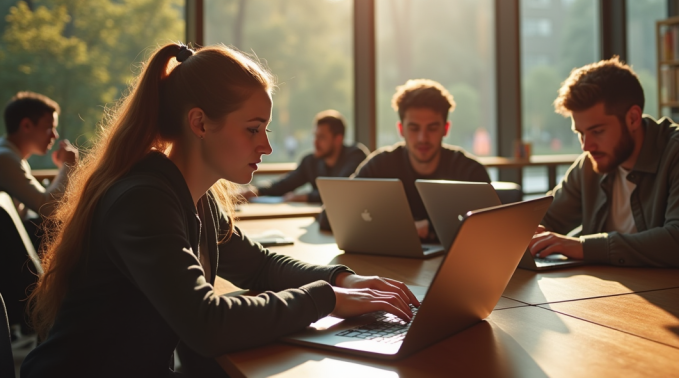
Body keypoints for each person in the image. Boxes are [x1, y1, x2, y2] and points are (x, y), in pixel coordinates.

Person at [22, 44, 418, 378]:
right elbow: (207, 323)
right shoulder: (143, 200)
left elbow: (258, 266)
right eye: (252, 129)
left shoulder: (196, 196)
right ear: (199, 123)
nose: (266, 146)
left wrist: (344, 280)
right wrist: (326, 298)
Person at [528, 57, 679, 272]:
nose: (586, 146)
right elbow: (544, 220)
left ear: (633, 118)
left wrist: (583, 247)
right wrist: (524, 235)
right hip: (612, 289)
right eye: (580, 133)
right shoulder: (590, 164)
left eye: (597, 131)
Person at [354, 79, 490, 239]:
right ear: (401, 129)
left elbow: (490, 228)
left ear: (446, 129)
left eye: (432, 128)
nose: (422, 138)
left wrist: (428, 227)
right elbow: (340, 214)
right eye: (414, 128)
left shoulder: (470, 172)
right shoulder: (379, 166)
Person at [0, 92, 78, 247]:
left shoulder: (13, 157)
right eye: (49, 128)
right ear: (26, 125)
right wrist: (67, 165)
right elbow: (48, 209)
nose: (55, 136)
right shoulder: (5, 158)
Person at [247, 110, 368, 203]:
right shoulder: (311, 161)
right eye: (315, 136)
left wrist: (304, 197)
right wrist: (256, 191)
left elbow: (341, 190)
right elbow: (285, 184)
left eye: (321, 137)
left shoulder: (356, 156)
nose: (315, 142)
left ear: (338, 139)